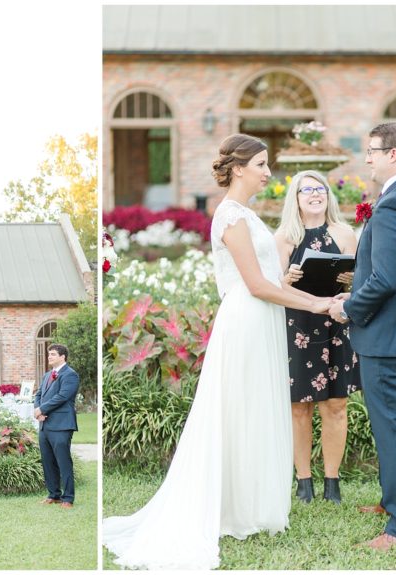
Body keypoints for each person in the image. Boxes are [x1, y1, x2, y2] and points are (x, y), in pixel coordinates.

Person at [103, 134, 332, 570]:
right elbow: (257, 285)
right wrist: (319, 304)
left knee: (257, 410)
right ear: (240, 167)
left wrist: (296, 281)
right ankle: (233, 510)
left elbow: (270, 278)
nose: (269, 172)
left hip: (261, 317)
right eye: (262, 164)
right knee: (240, 410)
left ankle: (250, 505)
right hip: (247, 319)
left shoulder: (245, 214)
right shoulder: (230, 215)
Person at [329, 122, 396, 550]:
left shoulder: (395, 205)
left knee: (393, 429)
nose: (367, 157)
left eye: (373, 150)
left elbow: (387, 278)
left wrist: (349, 306)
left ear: (393, 154)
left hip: (390, 337)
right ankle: (394, 501)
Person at [275, 170, 360, 504]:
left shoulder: (345, 233)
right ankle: (304, 481)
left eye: (319, 188)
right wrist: (287, 278)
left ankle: (332, 482)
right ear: (295, 198)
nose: (314, 194)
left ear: (328, 195)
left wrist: (352, 279)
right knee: (300, 407)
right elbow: (271, 286)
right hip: (298, 324)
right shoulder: (284, 237)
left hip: (336, 322)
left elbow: (361, 284)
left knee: (336, 404)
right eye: (305, 189)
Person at [33, 343, 79, 508]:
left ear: (62, 357)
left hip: (61, 425)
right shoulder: (47, 375)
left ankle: (68, 498)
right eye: (49, 354)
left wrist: (42, 409)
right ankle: (54, 495)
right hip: (45, 425)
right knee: (48, 461)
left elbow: (62, 396)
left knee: (63, 461)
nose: (49, 357)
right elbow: (38, 394)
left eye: (52, 354)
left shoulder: (70, 375)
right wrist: (38, 410)